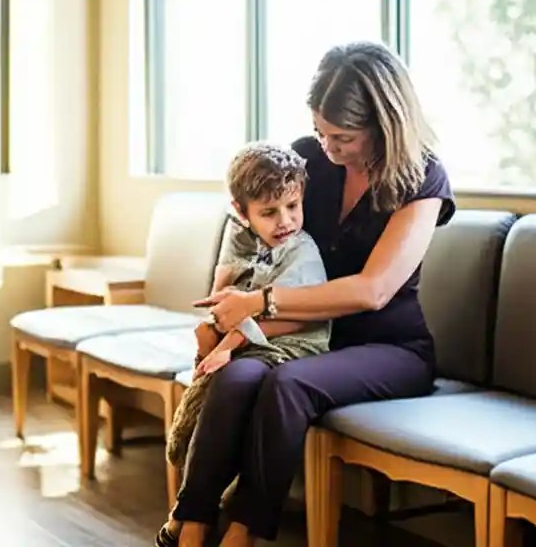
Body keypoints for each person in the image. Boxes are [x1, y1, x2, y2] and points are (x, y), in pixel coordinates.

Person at [170, 40, 455, 547]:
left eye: (342, 137)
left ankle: (242, 535)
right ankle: (188, 525)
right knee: (237, 377)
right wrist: (225, 305)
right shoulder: (307, 158)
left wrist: (260, 303)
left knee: (287, 385)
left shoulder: (423, 178)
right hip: (302, 336)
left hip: (387, 348)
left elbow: (373, 290)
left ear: (384, 125)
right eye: (321, 131)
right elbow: (249, 226)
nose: (328, 146)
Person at [157, 142, 330, 547]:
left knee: (237, 377)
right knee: (231, 383)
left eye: (293, 206)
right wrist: (215, 335)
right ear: (241, 211)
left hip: (290, 341)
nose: (285, 221)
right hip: (248, 341)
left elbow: (289, 318)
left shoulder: (301, 248)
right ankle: (194, 515)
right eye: (269, 213)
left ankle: (195, 520)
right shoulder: (239, 232)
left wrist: (225, 347)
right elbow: (222, 293)